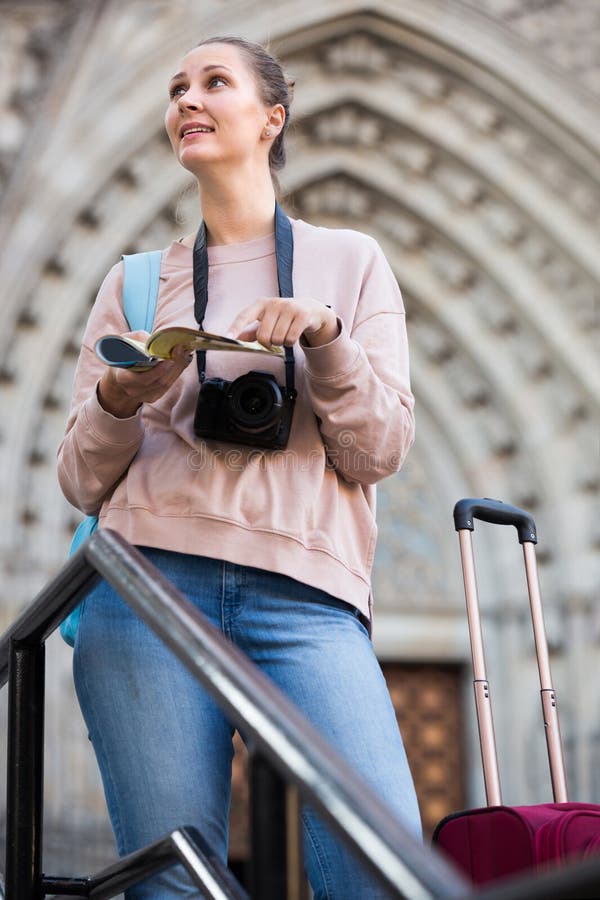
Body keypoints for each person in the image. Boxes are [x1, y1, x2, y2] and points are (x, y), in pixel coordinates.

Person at [57, 35, 421, 899]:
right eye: (177, 88)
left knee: (382, 867)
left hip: (307, 598)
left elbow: (379, 451)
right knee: (173, 883)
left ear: (271, 118)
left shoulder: (351, 262)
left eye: (214, 83)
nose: (187, 99)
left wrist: (326, 342)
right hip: (146, 593)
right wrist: (121, 391)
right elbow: (78, 480)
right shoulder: (137, 282)